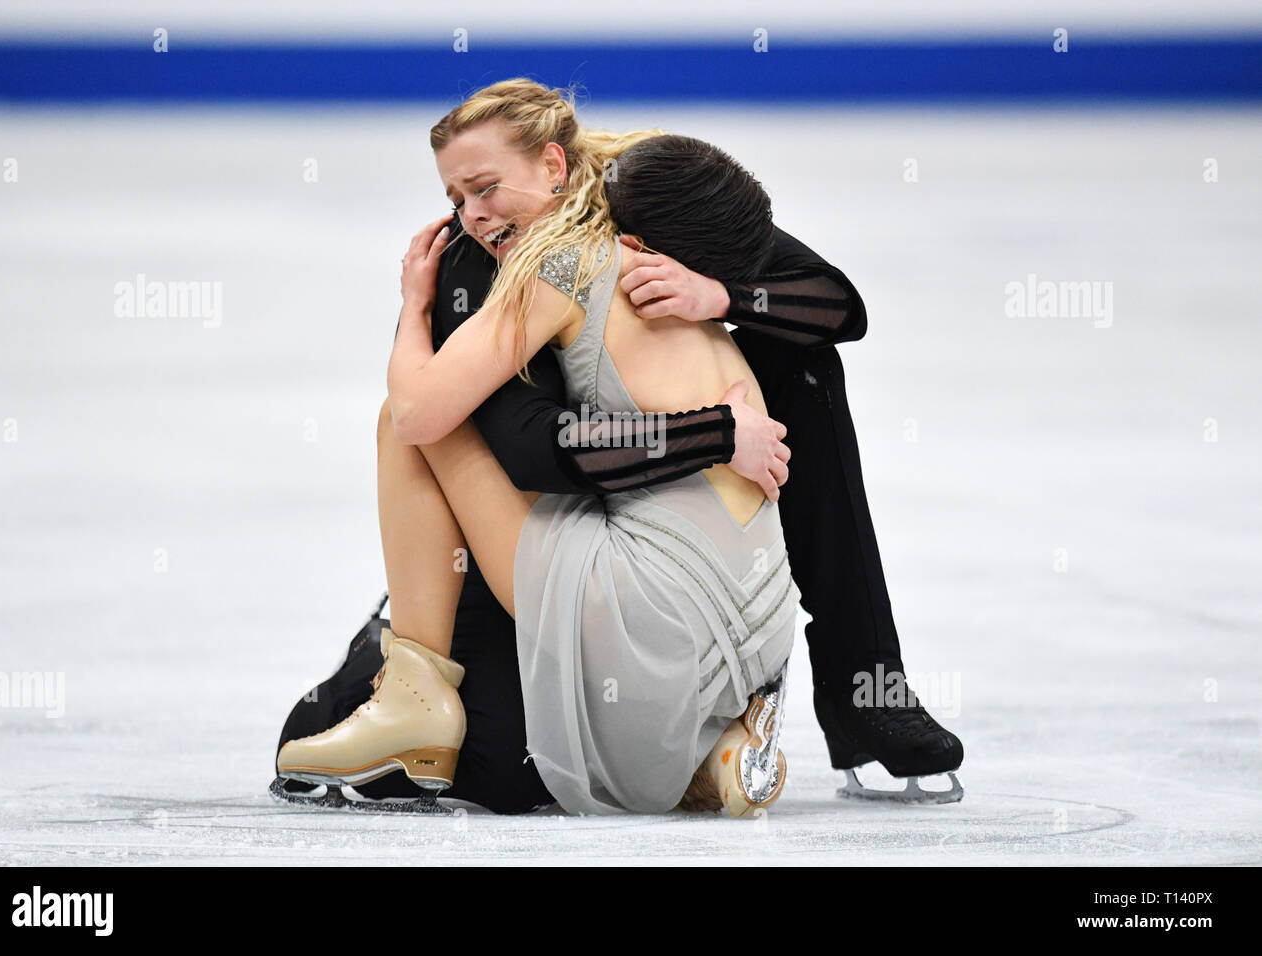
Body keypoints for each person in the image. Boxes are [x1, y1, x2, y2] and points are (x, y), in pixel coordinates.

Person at [274, 81, 964, 814]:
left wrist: (721, 297)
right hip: (711, 587)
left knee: (804, 361)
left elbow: (836, 305)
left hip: (626, 570)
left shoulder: (641, 203)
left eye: (484, 188)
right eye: (456, 199)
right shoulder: (481, 267)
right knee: (497, 757)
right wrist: (717, 433)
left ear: (553, 165)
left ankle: (864, 685)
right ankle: (708, 751)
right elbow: (534, 451)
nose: (471, 216)